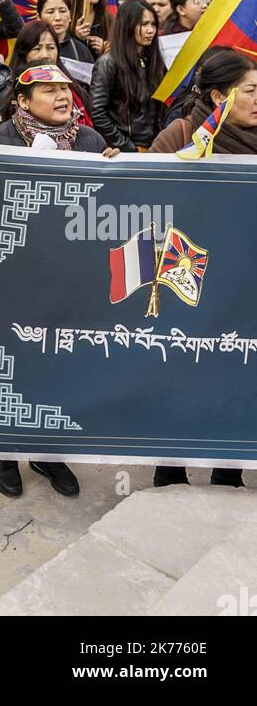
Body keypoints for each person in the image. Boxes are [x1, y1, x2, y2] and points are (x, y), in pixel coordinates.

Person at [0, 64, 110, 502]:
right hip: (11, 272)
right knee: (8, 363)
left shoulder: (90, 141)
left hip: (69, 276)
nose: (61, 97)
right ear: (21, 100)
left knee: (56, 362)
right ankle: (3, 453)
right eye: (48, 90)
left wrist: (117, 175)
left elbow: (104, 212)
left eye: (65, 89)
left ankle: (47, 452)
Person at [150, 48, 257, 490]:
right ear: (219, 97)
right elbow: (141, 207)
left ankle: (227, 467)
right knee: (179, 373)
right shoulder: (179, 137)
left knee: (236, 374)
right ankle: (170, 465)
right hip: (185, 286)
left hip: (243, 289)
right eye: (251, 91)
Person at [90, 0, 164, 151]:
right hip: (122, 151)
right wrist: (128, 147)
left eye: (153, 24)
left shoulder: (153, 61)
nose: (150, 30)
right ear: (127, 25)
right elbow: (97, 112)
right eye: (144, 24)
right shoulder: (108, 62)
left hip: (152, 148)